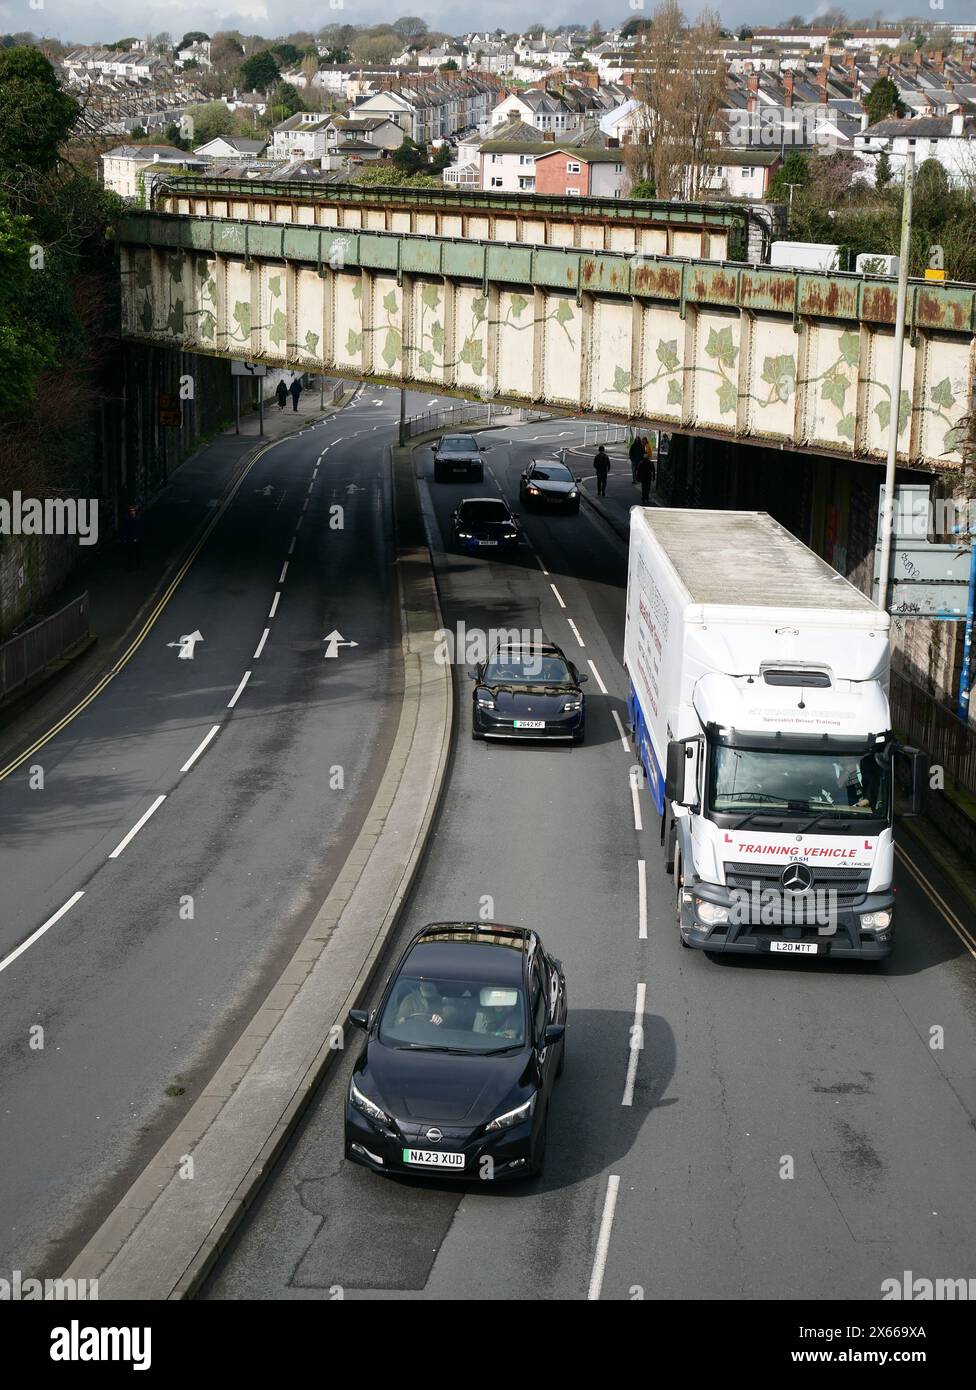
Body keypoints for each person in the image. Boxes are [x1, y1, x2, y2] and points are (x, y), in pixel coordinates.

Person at [121, 503, 143, 571]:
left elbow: (140, 529)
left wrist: (137, 538)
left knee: (137, 552)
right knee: (130, 553)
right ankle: (130, 566)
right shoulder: (127, 518)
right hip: (130, 537)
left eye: (133, 511)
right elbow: (125, 529)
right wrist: (124, 538)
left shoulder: (138, 518)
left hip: (136, 538)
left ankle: (138, 565)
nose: (132, 512)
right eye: (131, 511)